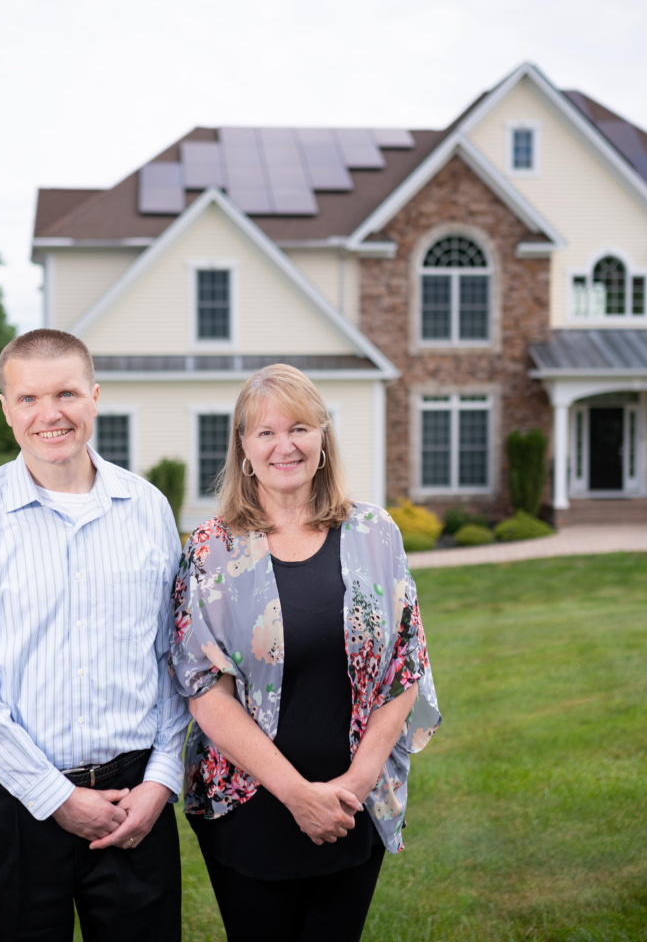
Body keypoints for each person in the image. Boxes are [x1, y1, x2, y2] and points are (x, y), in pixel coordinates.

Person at [0, 328, 188, 942]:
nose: (51, 415)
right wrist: (55, 797)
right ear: (6, 408)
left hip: (133, 803)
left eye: (66, 393)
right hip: (11, 802)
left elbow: (174, 662)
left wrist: (162, 780)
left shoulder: (147, 509)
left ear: (94, 397)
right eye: (29, 399)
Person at [170, 364, 442, 942]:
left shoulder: (375, 533)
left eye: (298, 427)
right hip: (249, 807)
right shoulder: (210, 549)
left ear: (323, 438)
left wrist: (356, 785)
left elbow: (405, 665)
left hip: (354, 802)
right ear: (243, 448)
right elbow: (202, 688)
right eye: (264, 432)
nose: (283, 445)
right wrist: (298, 795)